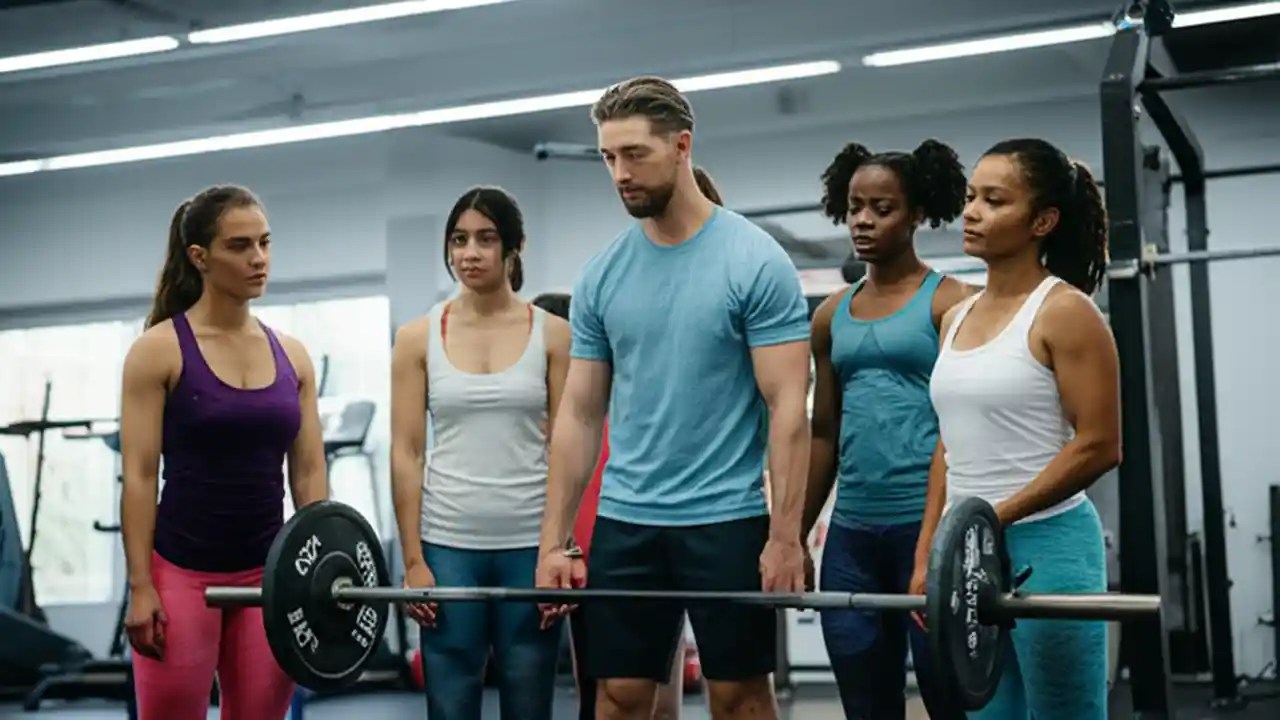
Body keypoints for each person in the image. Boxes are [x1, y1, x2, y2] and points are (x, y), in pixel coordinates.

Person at [535, 76, 812, 720]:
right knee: (619, 697)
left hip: (727, 516)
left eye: (634, 154)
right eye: (609, 157)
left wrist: (785, 537)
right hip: (628, 519)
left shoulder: (754, 260)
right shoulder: (603, 274)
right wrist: (554, 541)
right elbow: (580, 414)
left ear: (682, 146)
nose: (619, 174)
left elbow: (787, 409)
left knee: (739, 698)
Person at [918, 138, 1121, 719]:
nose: (971, 212)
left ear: (1042, 221)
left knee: (1065, 713)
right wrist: (932, 549)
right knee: (988, 712)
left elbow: (1100, 445)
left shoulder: (1065, 311)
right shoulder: (955, 316)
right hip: (969, 547)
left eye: (994, 200)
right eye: (970, 197)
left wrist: (993, 517)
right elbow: (949, 443)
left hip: (1048, 542)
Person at [119, 184, 329, 720]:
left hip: (270, 574)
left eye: (265, 242)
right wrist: (141, 586)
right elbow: (139, 474)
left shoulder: (293, 356)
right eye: (239, 245)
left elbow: (308, 473)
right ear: (200, 256)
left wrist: (315, 572)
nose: (258, 258)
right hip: (181, 573)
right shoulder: (157, 351)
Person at [801, 139, 973, 719]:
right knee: (866, 705)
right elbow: (823, 433)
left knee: (949, 699)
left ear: (917, 213)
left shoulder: (952, 304)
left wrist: (938, 541)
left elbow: (963, 430)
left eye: (882, 208)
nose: (863, 221)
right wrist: (794, 534)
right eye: (855, 207)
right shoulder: (830, 315)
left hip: (929, 530)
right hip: (851, 535)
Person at [390, 186, 571, 720]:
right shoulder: (416, 338)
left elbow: (568, 448)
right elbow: (406, 452)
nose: (469, 253)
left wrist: (560, 548)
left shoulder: (555, 336)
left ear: (514, 248)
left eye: (486, 239)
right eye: (459, 240)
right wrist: (413, 560)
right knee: (450, 703)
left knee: (529, 701)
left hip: (530, 543)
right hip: (447, 543)